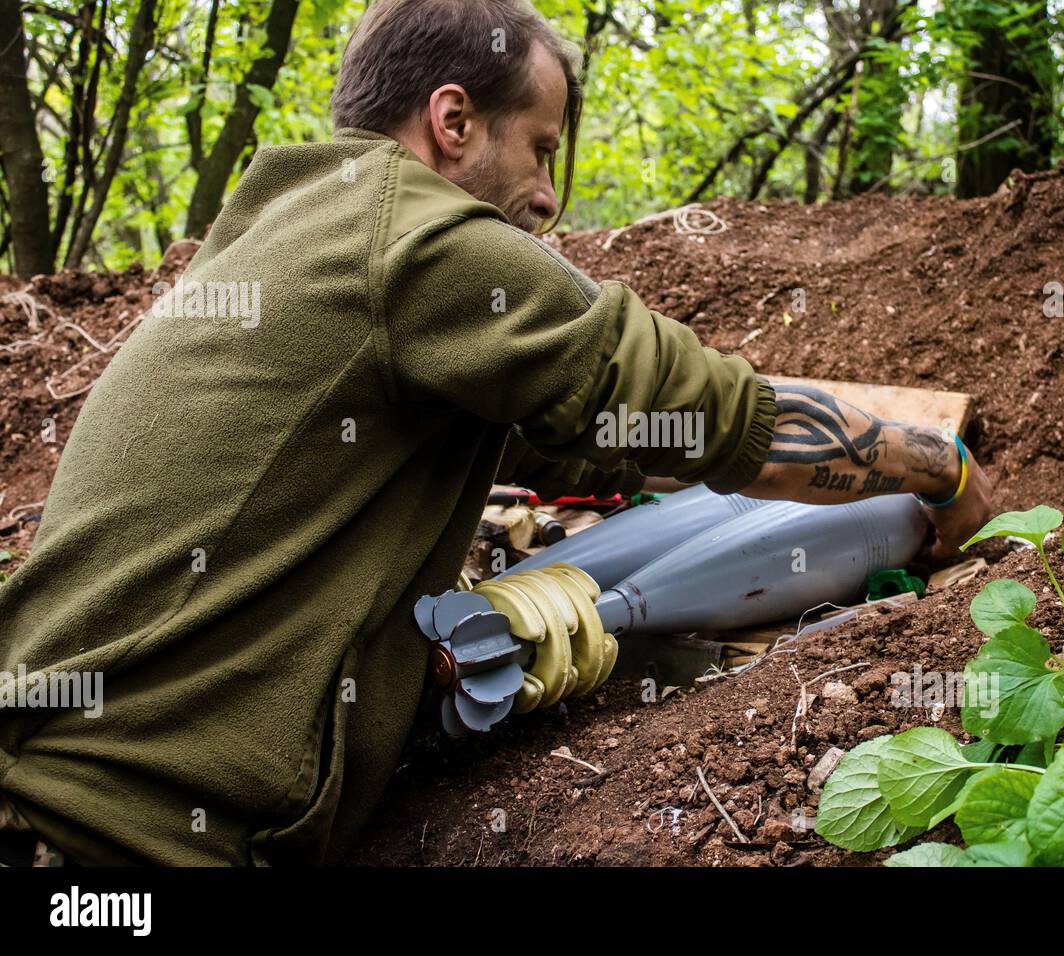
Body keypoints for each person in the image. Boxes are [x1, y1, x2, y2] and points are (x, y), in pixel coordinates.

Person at [0, 0, 991, 866]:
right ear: (454, 119)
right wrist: (932, 466)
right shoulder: (419, 239)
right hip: (106, 842)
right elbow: (696, 404)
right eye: (543, 149)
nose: (552, 196)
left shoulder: (293, 231)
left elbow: (560, 434)